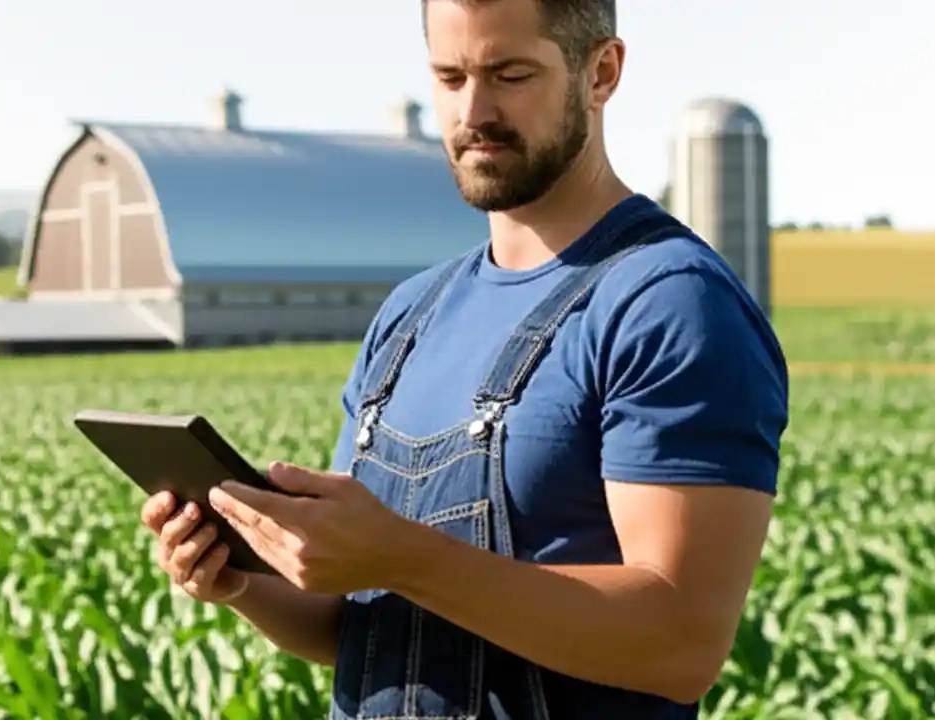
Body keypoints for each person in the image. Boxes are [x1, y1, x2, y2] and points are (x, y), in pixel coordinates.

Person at [140, 0, 789, 716]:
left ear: (601, 72)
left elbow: (678, 643)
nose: (473, 110)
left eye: (510, 74)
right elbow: (363, 628)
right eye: (450, 77)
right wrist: (245, 582)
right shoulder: (411, 316)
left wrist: (400, 556)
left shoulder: (667, 304)